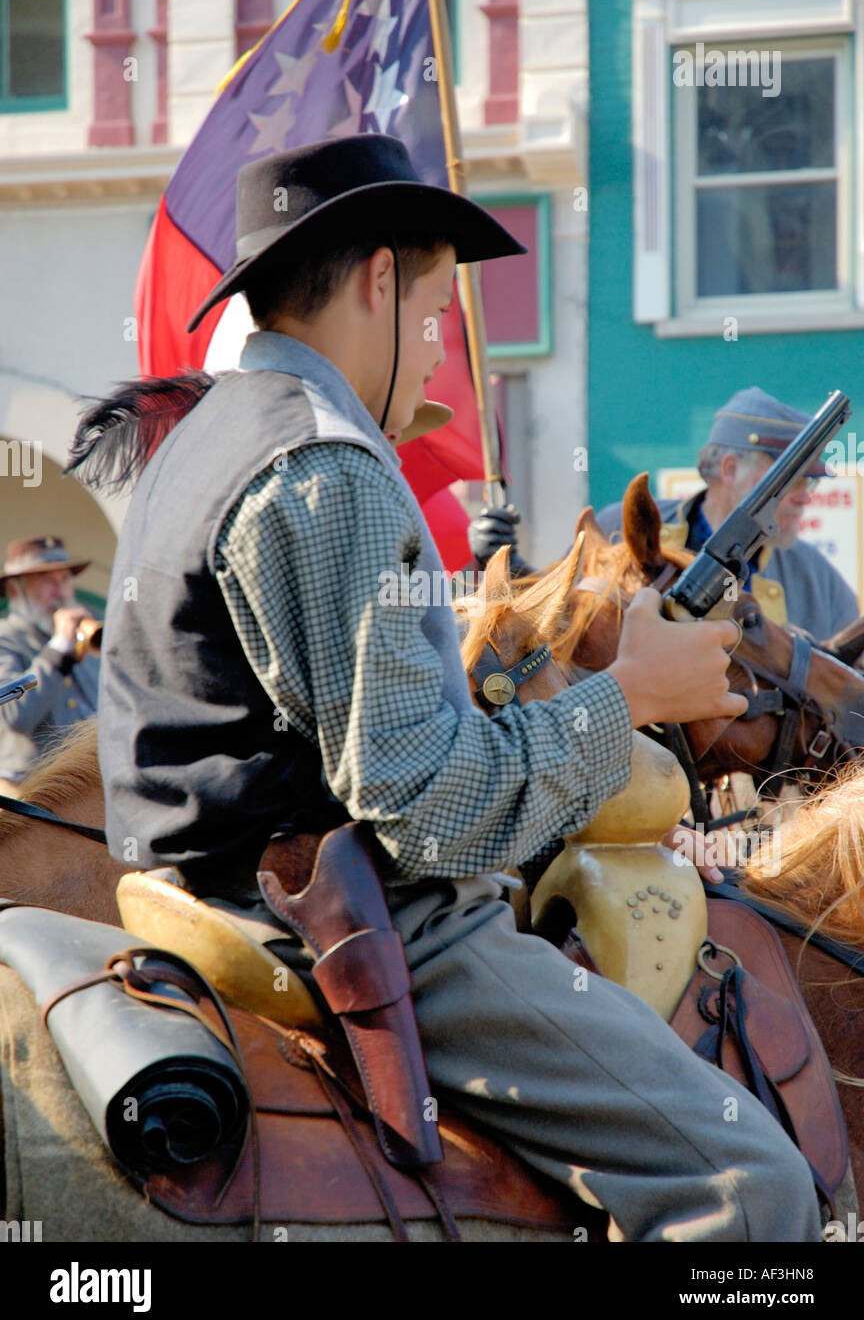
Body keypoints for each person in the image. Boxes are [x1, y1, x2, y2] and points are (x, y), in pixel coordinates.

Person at [94, 134, 820, 1241]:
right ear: (379, 279)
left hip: (224, 885)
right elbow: (426, 807)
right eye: (436, 308)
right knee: (752, 1187)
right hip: (363, 920)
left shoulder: (205, 431)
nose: (440, 353)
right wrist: (629, 694)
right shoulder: (328, 465)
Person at [594, 390, 859, 642]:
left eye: (809, 482)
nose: (804, 497)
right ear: (731, 469)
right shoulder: (618, 529)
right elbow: (567, 633)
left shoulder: (820, 581)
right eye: (791, 480)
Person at [0, 536, 99, 794]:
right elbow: (14, 715)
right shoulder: (5, 638)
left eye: (64, 580)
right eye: (47, 581)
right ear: (14, 590)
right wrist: (58, 650)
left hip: (86, 785)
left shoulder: (80, 634)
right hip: (31, 792)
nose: (60, 591)